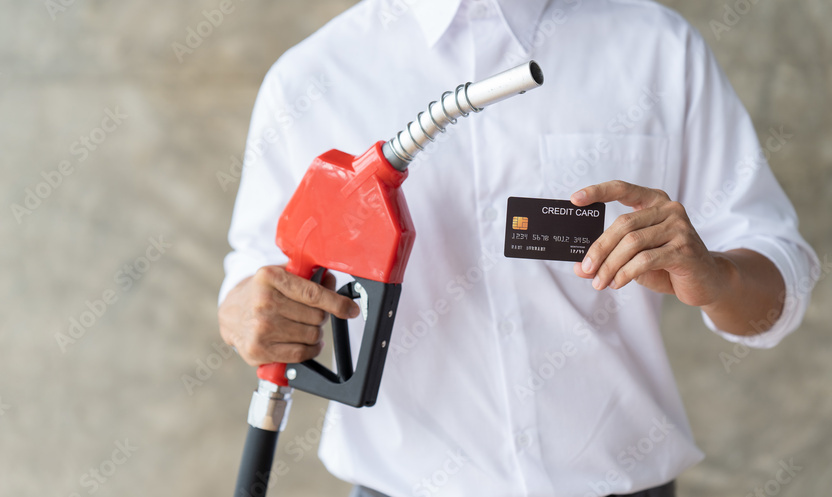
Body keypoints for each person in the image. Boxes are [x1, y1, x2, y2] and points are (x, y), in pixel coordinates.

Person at [217, 0, 819, 495]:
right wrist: (250, 312)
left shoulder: (657, 48)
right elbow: (253, 288)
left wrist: (718, 276)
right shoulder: (311, 80)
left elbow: (773, 297)